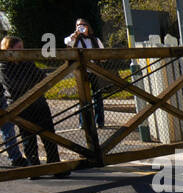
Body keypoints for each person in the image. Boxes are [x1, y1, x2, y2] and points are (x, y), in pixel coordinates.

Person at [0, 35, 61, 168]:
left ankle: (55, 164)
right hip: (20, 105)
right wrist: (31, 83)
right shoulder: (4, 66)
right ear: (9, 49)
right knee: (28, 137)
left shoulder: (27, 62)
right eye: (19, 47)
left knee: (49, 134)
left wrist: (31, 84)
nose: (23, 50)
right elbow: (13, 86)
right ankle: (34, 166)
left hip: (38, 102)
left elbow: (41, 77)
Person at [64, 18, 105, 128]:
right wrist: (74, 35)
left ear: (87, 26)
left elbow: (103, 54)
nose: (80, 26)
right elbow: (67, 42)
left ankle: (99, 121)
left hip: (94, 70)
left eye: (82, 24)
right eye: (78, 25)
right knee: (84, 98)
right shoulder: (74, 39)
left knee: (97, 96)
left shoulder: (95, 40)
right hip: (81, 71)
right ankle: (84, 123)